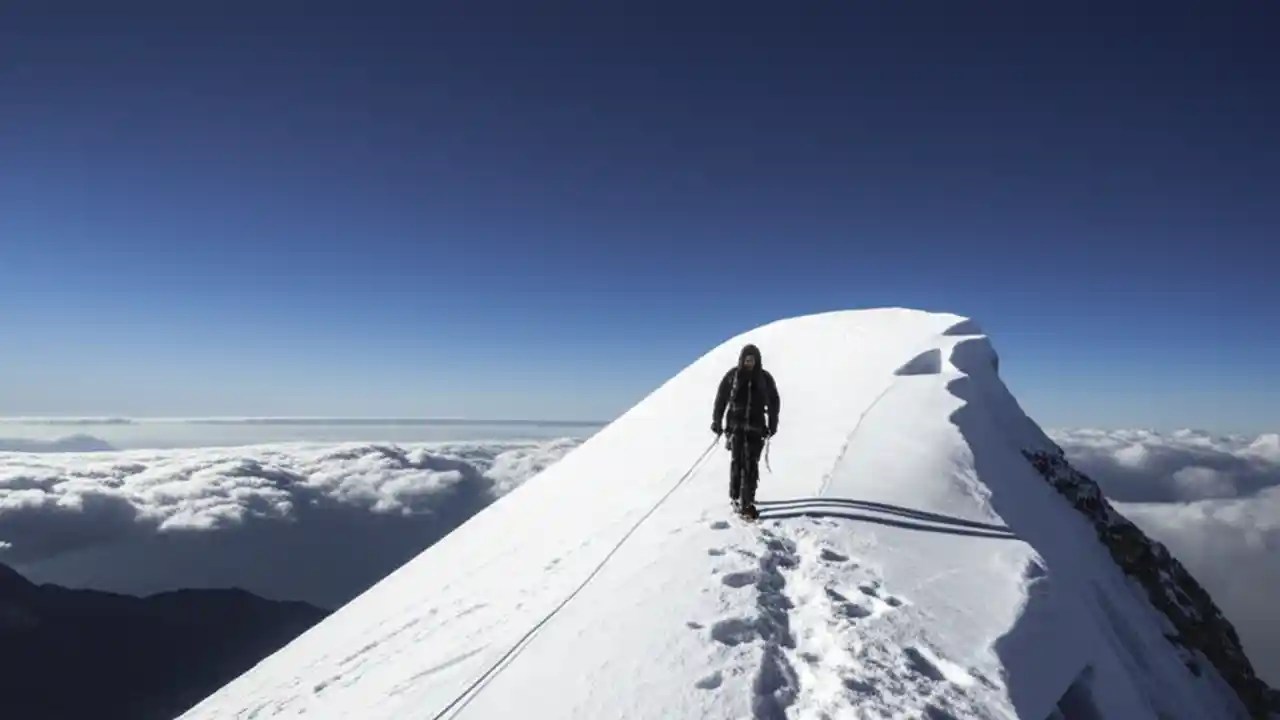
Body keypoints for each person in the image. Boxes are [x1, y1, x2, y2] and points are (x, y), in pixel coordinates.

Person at [711, 343, 779, 519]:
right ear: (742, 360)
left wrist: (773, 423)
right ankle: (735, 497)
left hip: (756, 430)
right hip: (735, 429)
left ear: (757, 361)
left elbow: (774, 402)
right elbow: (721, 399)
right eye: (747, 359)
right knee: (737, 463)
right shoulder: (732, 376)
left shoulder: (764, 379)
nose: (749, 363)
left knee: (751, 465)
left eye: (752, 360)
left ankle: (747, 502)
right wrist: (717, 421)